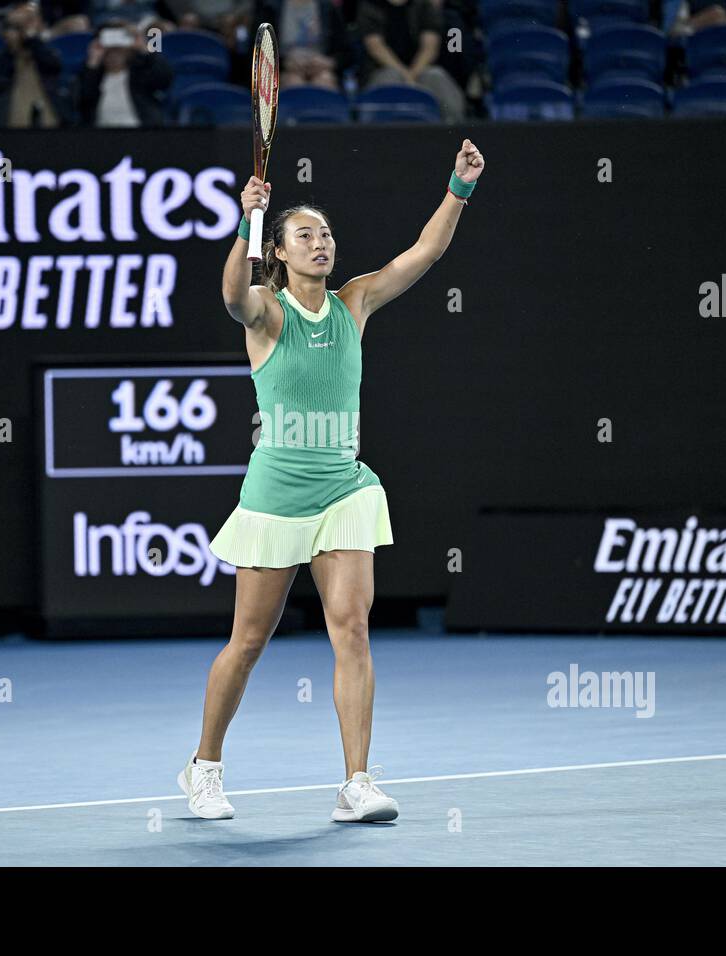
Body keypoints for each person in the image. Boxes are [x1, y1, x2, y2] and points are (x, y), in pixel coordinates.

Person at [178, 138, 487, 823]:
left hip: (345, 490)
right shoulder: (267, 313)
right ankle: (203, 768)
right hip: (275, 497)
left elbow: (422, 254)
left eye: (326, 234)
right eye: (305, 236)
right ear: (280, 253)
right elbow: (231, 294)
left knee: (351, 629)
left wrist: (458, 188)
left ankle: (357, 782)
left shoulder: (355, 302)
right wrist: (243, 223)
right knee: (249, 642)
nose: (322, 243)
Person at [357, 0, 466, 122]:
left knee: (436, 76)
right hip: (382, 70)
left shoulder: (424, 5)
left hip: (421, 69)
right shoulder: (370, 6)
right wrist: (405, 75)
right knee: (390, 77)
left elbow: (430, 48)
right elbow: (376, 47)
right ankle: (379, 134)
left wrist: (412, 75)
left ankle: (455, 130)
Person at [0, 2, 64, 127]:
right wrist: (11, 49)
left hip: (49, 123)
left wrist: (32, 38)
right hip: (12, 125)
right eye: (17, 27)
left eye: (29, 22)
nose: (23, 30)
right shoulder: (1, 58)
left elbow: (52, 66)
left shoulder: (47, 51)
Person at [77, 19, 174, 125]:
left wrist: (145, 49)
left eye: (120, 48)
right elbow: (82, 99)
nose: (114, 53)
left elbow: (164, 79)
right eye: (110, 49)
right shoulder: (93, 73)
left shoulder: (140, 70)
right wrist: (93, 61)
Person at [253, 0, 352, 90]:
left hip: (322, 67)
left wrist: (329, 63)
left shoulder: (328, 8)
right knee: (293, 84)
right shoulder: (271, 8)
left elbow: (347, 53)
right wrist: (284, 63)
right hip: (284, 70)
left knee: (325, 81)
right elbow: (258, 52)